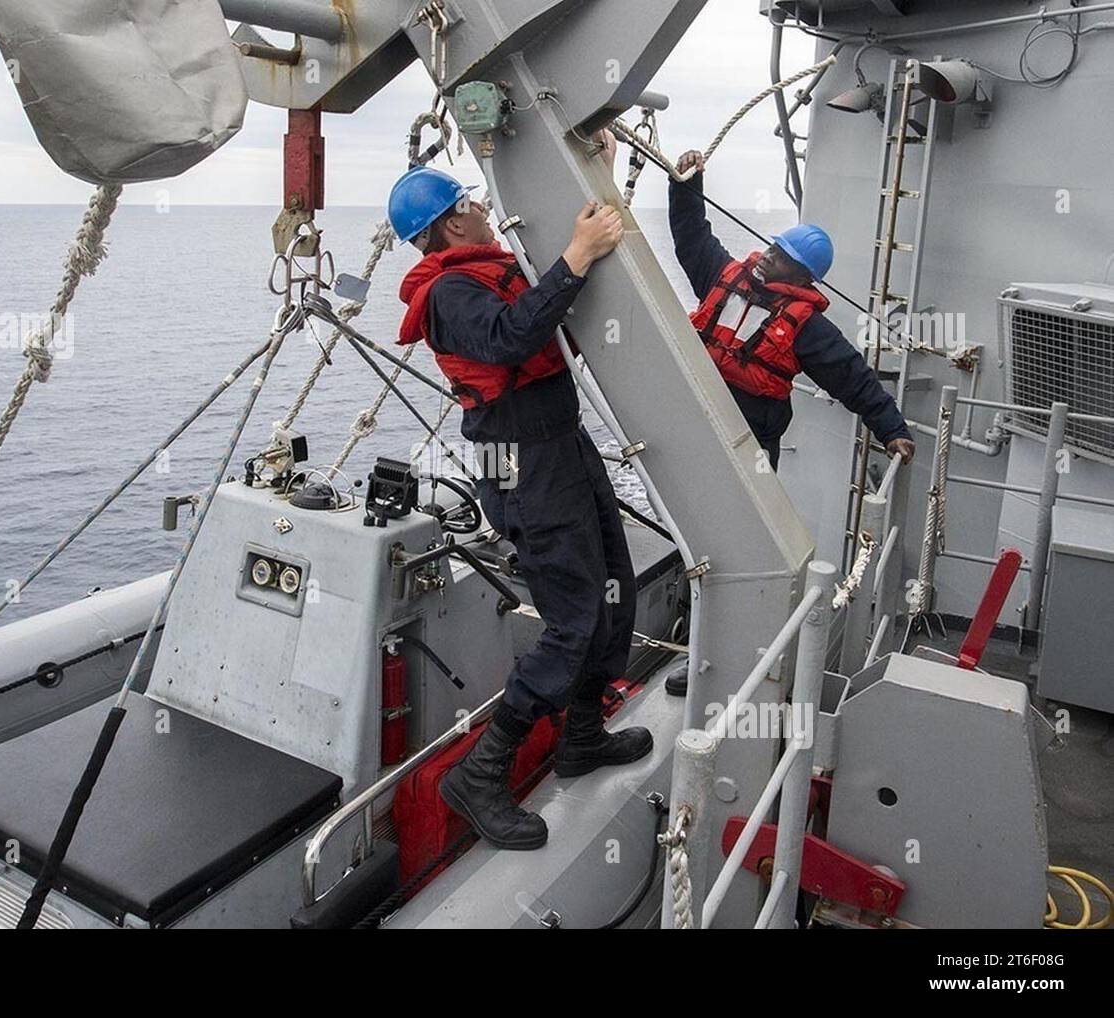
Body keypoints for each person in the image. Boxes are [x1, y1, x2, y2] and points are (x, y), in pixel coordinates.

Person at [390, 164, 652, 851]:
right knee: (572, 618)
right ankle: (480, 775)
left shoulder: (482, 269)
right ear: (452, 223)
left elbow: (535, 309)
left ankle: (583, 736)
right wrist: (578, 254)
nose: (481, 209)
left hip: (564, 449)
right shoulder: (449, 291)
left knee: (611, 595)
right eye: (470, 204)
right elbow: (511, 337)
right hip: (525, 466)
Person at [669, 150, 916, 471]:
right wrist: (686, 182)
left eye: (783, 256)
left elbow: (853, 379)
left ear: (802, 277)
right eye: (774, 248)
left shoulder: (807, 327)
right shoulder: (723, 275)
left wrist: (892, 431)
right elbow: (692, 236)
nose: (769, 257)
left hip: (749, 440)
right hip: (693, 410)